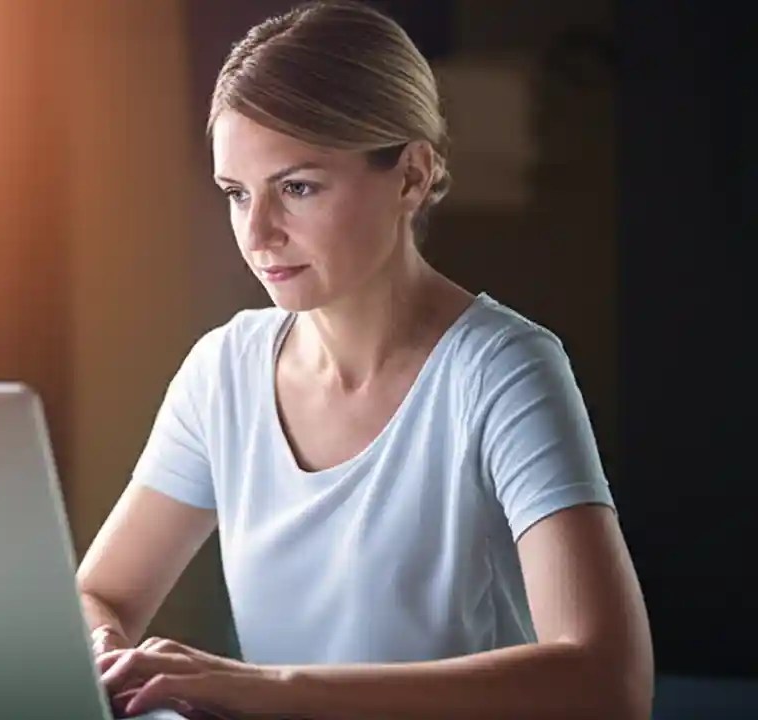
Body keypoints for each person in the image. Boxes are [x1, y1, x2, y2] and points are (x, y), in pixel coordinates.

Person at [75, 2, 654, 718]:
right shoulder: (223, 370)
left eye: (297, 187)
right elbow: (101, 593)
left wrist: (265, 689)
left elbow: (607, 683)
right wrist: (110, 659)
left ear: (411, 177)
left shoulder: (503, 372)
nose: (257, 233)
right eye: (236, 194)